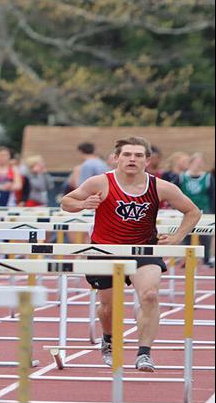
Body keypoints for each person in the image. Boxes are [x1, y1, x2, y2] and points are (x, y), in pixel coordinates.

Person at [60, 136, 202, 372]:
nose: (132, 159)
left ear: (147, 160)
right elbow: (66, 202)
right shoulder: (100, 182)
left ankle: (144, 353)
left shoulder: (160, 186)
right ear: (116, 158)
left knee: (150, 296)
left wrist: (177, 237)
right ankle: (108, 339)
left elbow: (193, 211)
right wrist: (83, 205)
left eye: (138, 155)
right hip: (105, 251)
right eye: (127, 154)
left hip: (143, 249)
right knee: (108, 308)